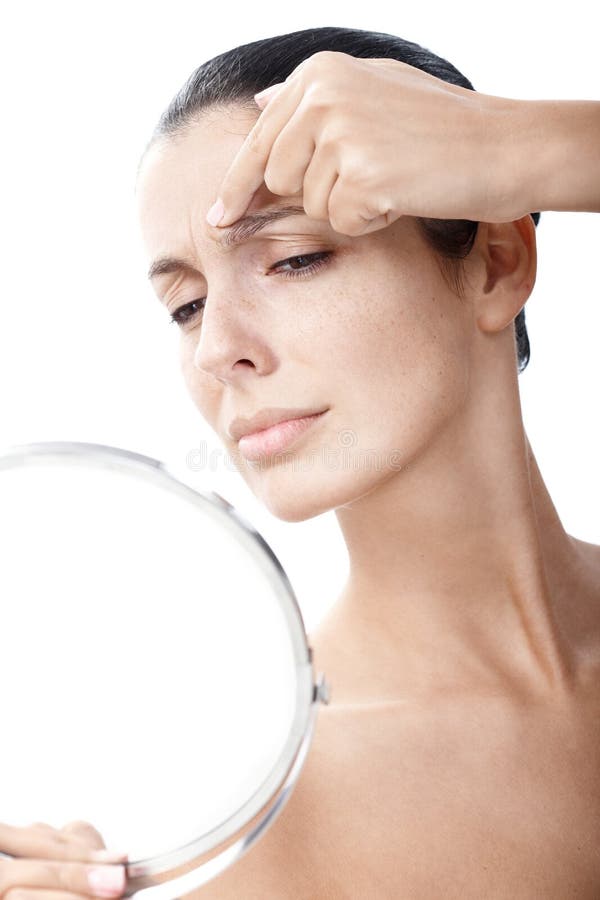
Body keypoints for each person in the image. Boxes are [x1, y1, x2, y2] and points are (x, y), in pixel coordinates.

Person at [1, 24, 598, 900]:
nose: (218, 349)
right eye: (186, 305)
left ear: (498, 262)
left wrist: (532, 144)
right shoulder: (245, 833)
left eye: (293, 258)